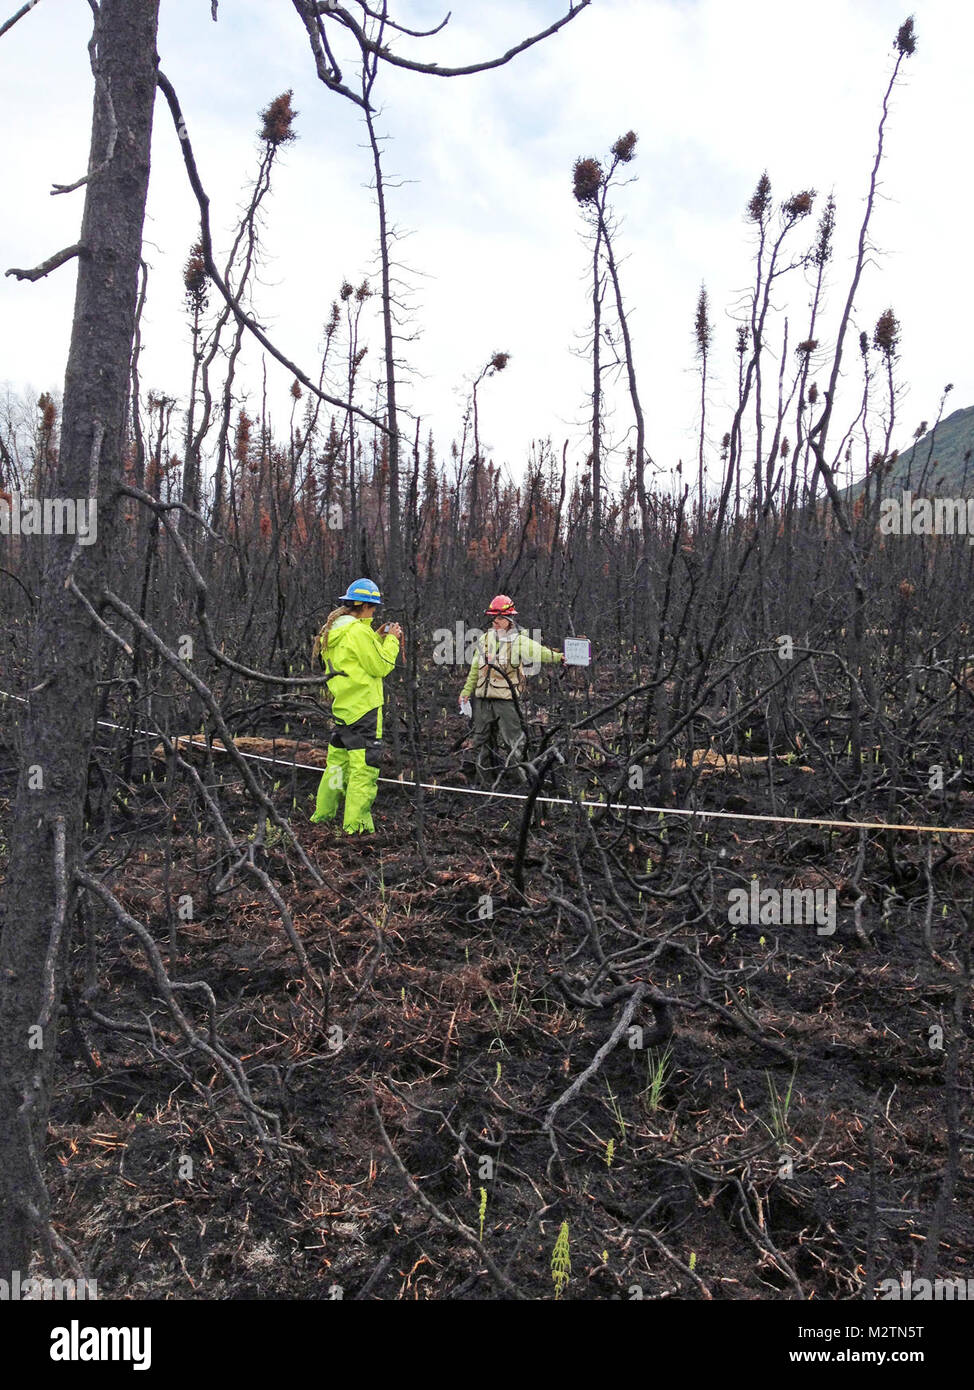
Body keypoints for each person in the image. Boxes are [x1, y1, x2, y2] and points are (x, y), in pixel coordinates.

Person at [310, 578, 402, 835]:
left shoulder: (335, 630)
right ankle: (356, 826)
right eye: (373, 609)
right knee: (363, 771)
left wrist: (376, 636)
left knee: (337, 766)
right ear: (364, 606)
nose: (374, 614)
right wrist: (391, 640)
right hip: (364, 711)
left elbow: (355, 658)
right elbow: (381, 666)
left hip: (343, 709)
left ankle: (324, 814)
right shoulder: (358, 632)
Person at [459, 594, 563, 783]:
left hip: (506, 699)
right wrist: (467, 691)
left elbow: (541, 652)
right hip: (483, 699)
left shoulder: (520, 641)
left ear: (509, 620)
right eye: (494, 618)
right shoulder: (484, 639)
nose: (495, 622)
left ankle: (519, 782)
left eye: (499, 619)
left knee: (513, 742)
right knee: (482, 742)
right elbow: (475, 667)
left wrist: (559, 657)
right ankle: (486, 782)